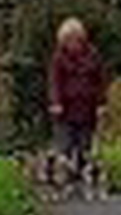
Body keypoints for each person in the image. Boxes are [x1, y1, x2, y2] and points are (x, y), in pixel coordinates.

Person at [46, 15, 108, 195]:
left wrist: (101, 103)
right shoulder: (58, 58)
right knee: (64, 147)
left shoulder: (93, 55)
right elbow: (54, 82)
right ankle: (63, 182)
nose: (72, 43)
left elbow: (100, 80)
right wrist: (55, 102)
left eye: (75, 39)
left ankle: (81, 180)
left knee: (85, 148)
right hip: (65, 110)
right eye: (68, 39)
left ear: (81, 38)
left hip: (87, 108)